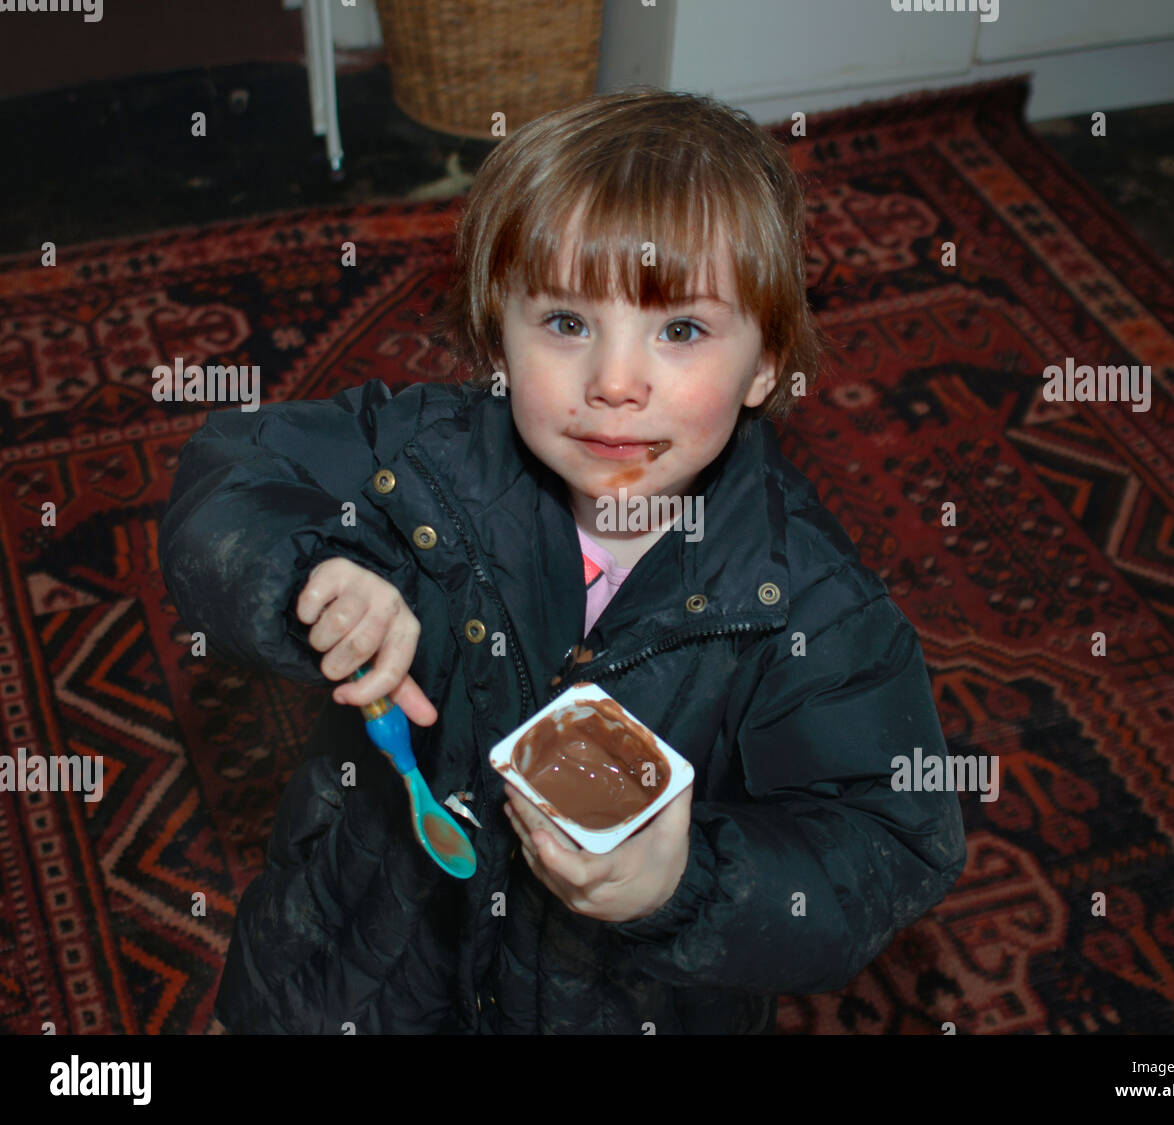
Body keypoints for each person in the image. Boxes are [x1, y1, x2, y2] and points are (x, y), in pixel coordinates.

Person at [159, 85, 967, 1035]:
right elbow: (232, 473)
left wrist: (688, 880)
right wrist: (310, 573)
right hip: (357, 959)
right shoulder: (426, 457)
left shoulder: (808, 607)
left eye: (681, 330)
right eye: (567, 323)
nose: (616, 383)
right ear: (496, 327)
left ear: (766, 364)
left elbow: (889, 838)